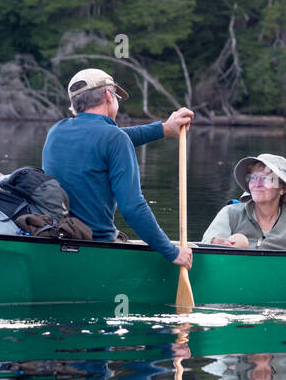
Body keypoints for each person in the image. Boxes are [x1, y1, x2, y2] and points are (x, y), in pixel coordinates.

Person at [41, 68, 193, 268]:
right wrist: (172, 252)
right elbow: (132, 209)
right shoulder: (113, 139)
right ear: (107, 95)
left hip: (58, 236)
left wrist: (163, 129)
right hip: (98, 247)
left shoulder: (56, 131)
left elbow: (110, 137)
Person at [202, 154, 286, 251]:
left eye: (266, 178)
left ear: (283, 189)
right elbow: (205, 247)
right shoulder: (229, 213)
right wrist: (215, 242)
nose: (257, 184)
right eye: (253, 178)